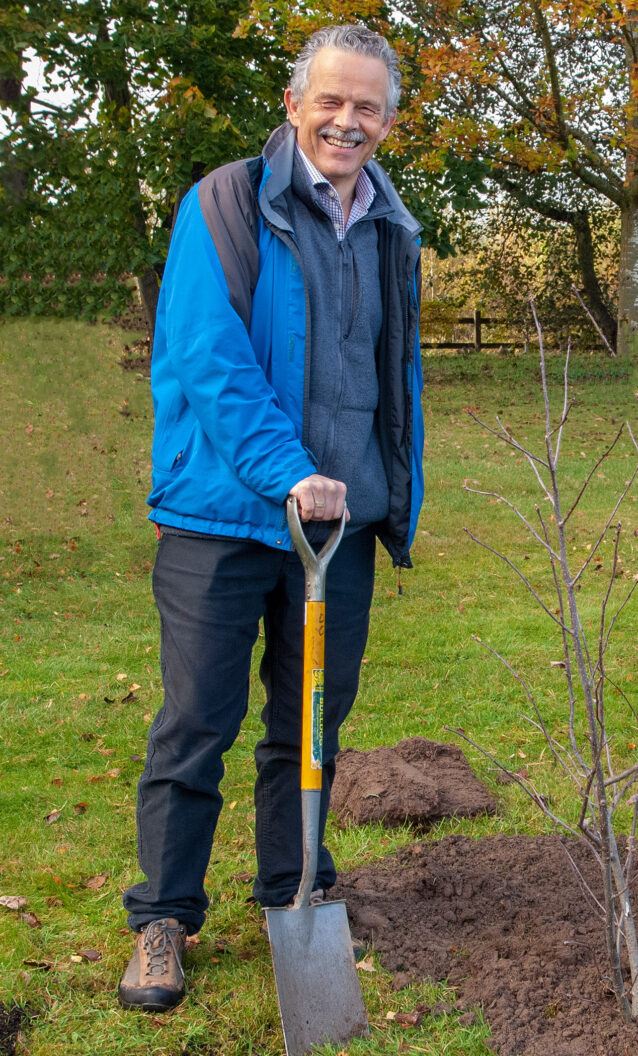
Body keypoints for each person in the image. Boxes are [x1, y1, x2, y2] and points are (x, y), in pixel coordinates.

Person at [118, 22, 424, 1012]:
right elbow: (210, 360)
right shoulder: (226, 203)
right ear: (293, 105)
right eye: (330, 101)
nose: (347, 121)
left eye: (367, 107)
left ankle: (292, 889)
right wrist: (286, 472)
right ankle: (162, 917)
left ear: (386, 121)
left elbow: (387, 374)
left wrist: (383, 491)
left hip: (339, 531)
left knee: (310, 724)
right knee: (195, 724)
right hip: (226, 515)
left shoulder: (389, 225)